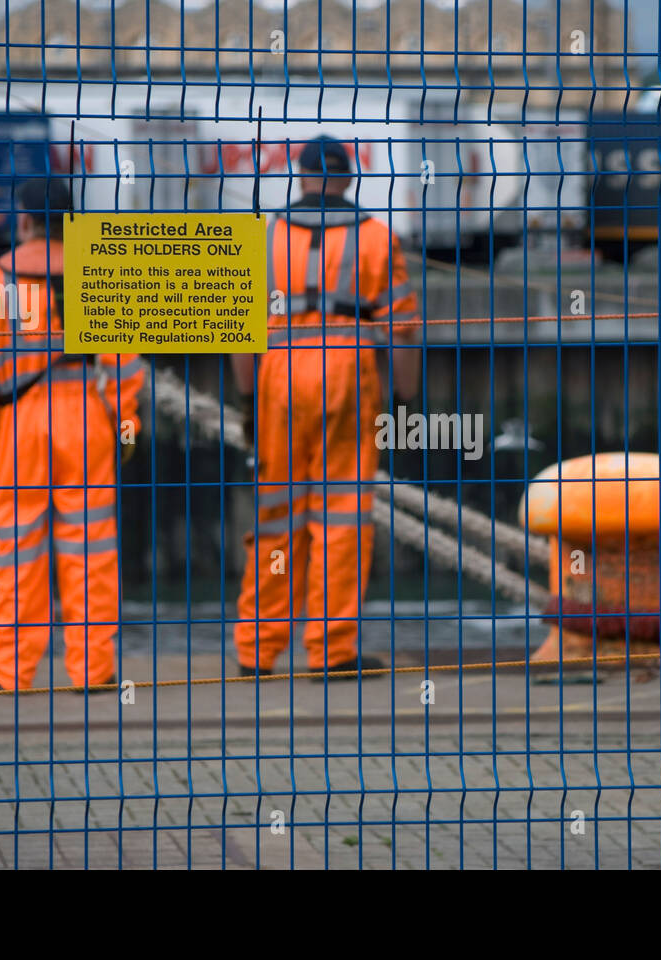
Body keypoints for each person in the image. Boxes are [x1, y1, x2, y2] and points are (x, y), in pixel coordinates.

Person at [231, 136, 421, 680]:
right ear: (349, 179)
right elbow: (402, 332)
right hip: (346, 374)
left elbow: (241, 339)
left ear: (301, 174)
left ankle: (256, 649)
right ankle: (333, 651)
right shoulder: (377, 238)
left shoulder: (263, 234)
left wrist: (249, 399)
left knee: (276, 515)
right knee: (342, 517)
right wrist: (407, 401)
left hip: (280, 375)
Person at [0, 176, 145, 690]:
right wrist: (126, 428)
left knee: (17, 551)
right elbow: (126, 369)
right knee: (91, 552)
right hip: (86, 426)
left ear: (24, 221)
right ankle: (94, 670)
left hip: (19, 430)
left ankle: (11, 672)